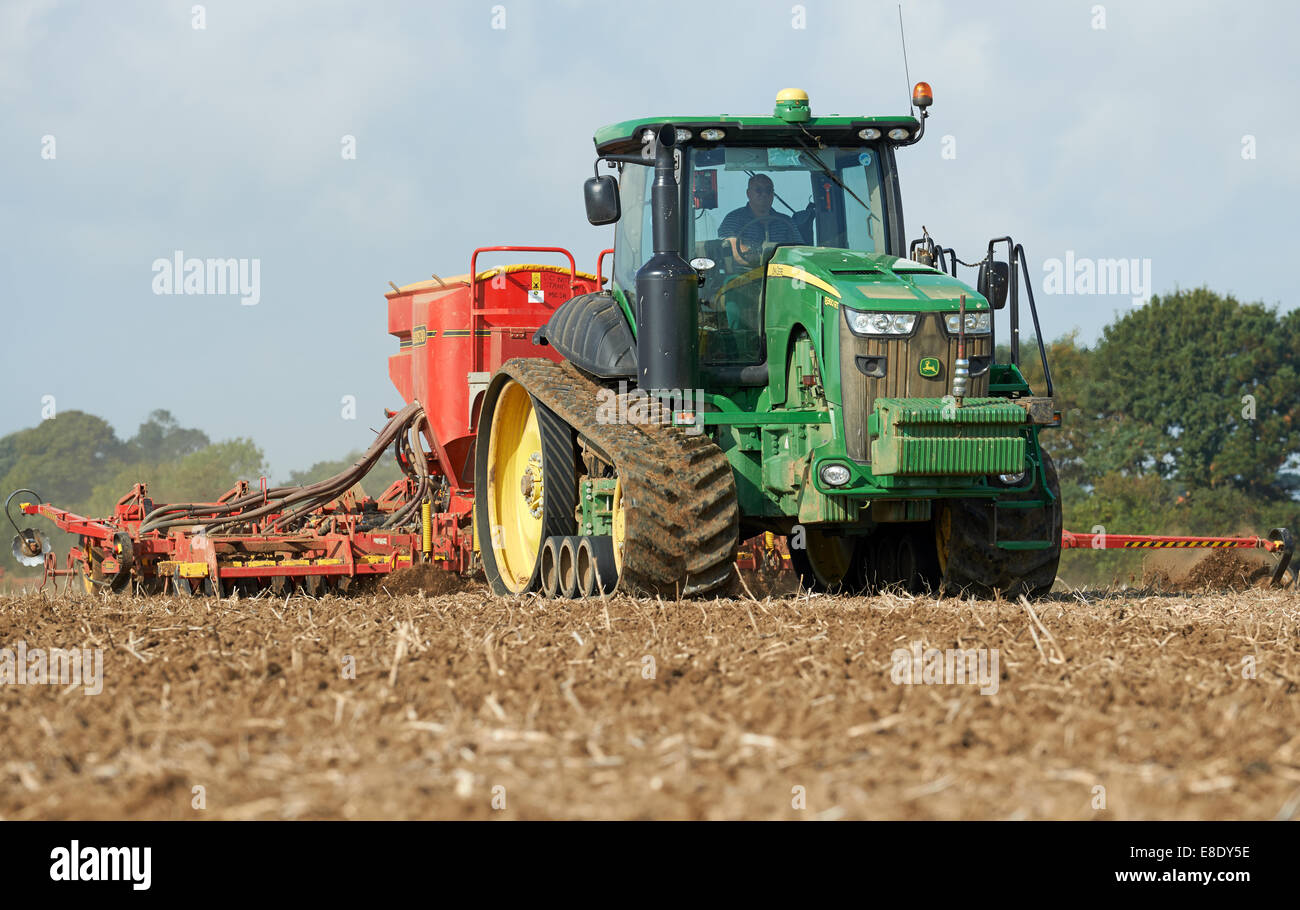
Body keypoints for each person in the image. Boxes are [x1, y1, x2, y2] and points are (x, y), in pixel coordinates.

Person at [718, 174, 802, 266]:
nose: (764, 194)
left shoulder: (787, 222)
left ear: (773, 194)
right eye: (759, 190)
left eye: (768, 190)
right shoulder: (733, 219)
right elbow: (731, 248)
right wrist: (757, 259)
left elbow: (800, 252)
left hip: (782, 275)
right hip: (744, 277)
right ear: (748, 194)